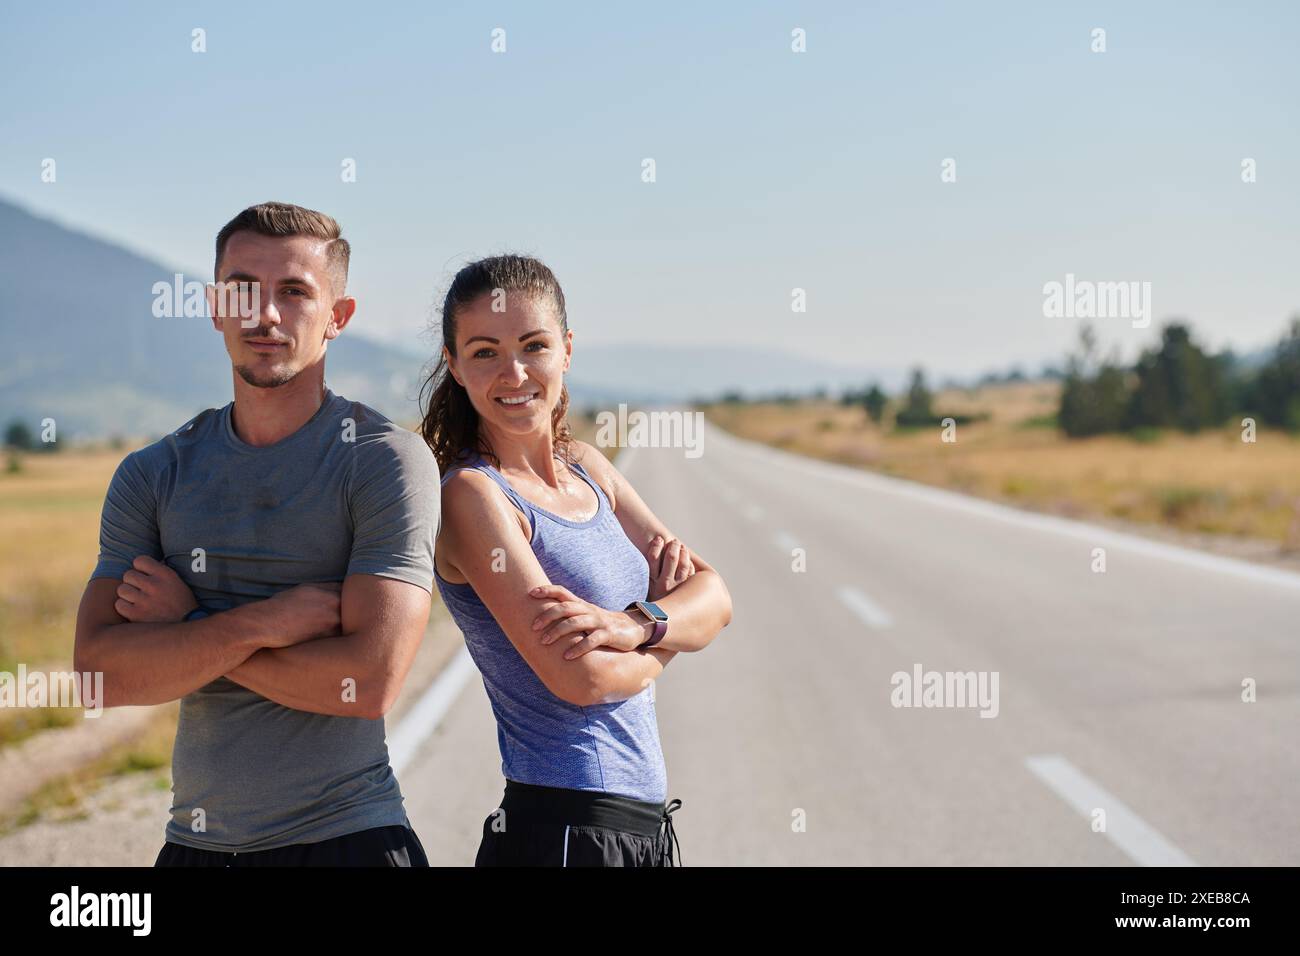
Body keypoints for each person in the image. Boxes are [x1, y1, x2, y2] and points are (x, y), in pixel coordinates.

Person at [73, 202, 439, 866]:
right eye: (243, 290)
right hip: (194, 848)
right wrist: (260, 623)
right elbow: (101, 676)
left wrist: (188, 624)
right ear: (215, 307)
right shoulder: (155, 472)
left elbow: (367, 682)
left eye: (294, 292)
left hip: (346, 841)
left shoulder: (382, 459)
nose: (264, 314)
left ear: (338, 317)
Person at [420, 254, 733, 866]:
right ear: (454, 365)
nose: (513, 373)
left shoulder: (588, 467)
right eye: (484, 352)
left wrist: (633, 625)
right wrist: (672, 637)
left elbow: (716, 596)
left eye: (533, 346)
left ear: (565, 349)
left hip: (638, 829)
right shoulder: (473, 496)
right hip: (564, 831)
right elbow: (580, 679)